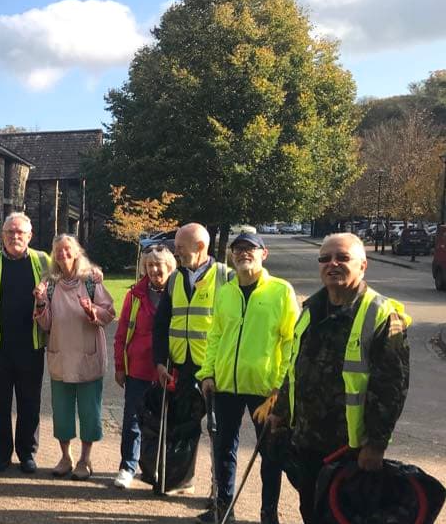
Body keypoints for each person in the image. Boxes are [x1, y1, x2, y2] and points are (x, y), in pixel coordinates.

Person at [268, 233, 410, 524]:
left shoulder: (381, 314)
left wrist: (376, 445)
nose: (332, 263)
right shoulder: (310, 310)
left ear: (363, 265)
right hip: (307, 441)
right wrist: (280, 411)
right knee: (311, 512)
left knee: (344, 517)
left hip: (350, 449)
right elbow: (295, 367)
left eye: (342, 257)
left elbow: (392, 388)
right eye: (325, 258)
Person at [196, 233, 298, 524]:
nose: (244, 254)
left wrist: (281, 384)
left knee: (271, 455)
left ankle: (269, 514)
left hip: (266, 389)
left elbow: (291, 341)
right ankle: (223, 509)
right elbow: (215, 336)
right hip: (226, 385)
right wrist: (207, 373)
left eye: (250, 249)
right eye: (238, 249)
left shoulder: (281, 291)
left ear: (263, 253)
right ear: (231, 255)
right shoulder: (226, 292)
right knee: (223, 448)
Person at [152, 222, 233, 496]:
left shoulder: (226, 277)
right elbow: (162, 323)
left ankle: (219, 488)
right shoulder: (175, 278)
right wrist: (161, 361)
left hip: (213, 367)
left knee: (219, 432)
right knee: (182, 425)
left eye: (181, 248)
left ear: (200, 247)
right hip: (182, 364)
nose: (177, 253)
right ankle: (180, 480)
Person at [0, 212, 51, 474]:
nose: (15, 236)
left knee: (30, 403)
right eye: (10, 232)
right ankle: (2, 455)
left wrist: (93, 275)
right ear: (2, 235)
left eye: (20, 232)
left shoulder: (43, 261)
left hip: (32, 346)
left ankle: (27, 453)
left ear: (29, 236)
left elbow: (70, 276)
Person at [34, 234, 115, 481]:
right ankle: (66, 457)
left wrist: (93, 310)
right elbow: (46, 325)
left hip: (88, 356)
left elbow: (109, 312)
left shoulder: (91, 280)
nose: (63, 255)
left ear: (77, 252)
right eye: (58, 251)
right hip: (60, 356)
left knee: (90, 412)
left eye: (68, 250)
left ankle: (85, 458)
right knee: (62, 412)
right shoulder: (49, 284)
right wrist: (39, 303)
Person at [112, 244, 175, 488]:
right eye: (149, 265)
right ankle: (128, 466)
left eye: (159, 264)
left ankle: (156, 470)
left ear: (169, 267)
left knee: (163, 422)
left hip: (169, 368)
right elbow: (121, 333)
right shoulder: (134, 295)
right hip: (138, 367)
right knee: (133, 420)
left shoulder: (178, 294)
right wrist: (120, 365)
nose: (154, 269)